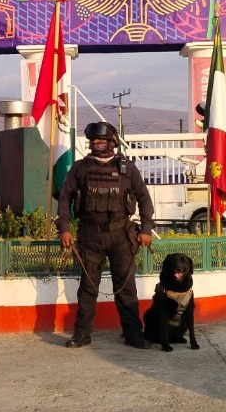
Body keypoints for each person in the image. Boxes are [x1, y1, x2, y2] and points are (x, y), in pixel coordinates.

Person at [56, 121, 155, 349]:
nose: (96, 144)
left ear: (112, 142)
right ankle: (82, 334)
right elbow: (64, 198)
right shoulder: (80, 168)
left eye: (101, 141)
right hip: (90, 236)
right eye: (93, 141)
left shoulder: (127, 168)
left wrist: (146, 229)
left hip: (121, 236)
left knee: (126, 289)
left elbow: (144, 198)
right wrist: (65, 228)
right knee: (88, 288)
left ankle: (133, 334)